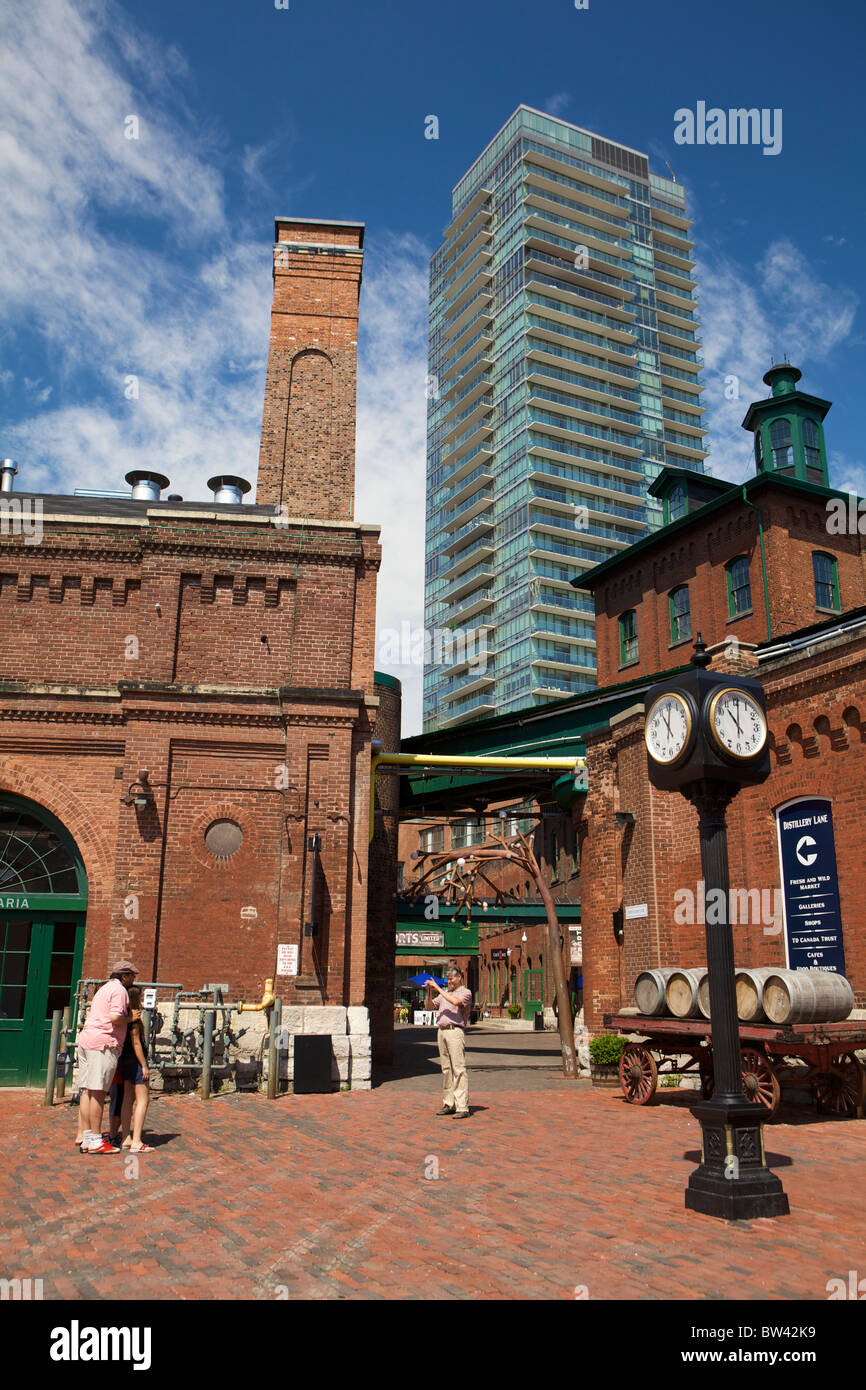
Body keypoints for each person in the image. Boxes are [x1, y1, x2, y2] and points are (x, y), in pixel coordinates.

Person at [74, 960, 138, 1154]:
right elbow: (115, 1017)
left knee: (87, 1091)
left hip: (86, 1040)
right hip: (103, 1043)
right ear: (124, 976)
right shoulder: (119, 991)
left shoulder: (103, 989)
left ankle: (87, 1138)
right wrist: (131, 1018)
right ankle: (96, 1141)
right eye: (132, 976)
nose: (133, 980)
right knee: (98, 1093)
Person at [107, 987, 153, 1152]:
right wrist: (144, 1065)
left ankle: (126, 1137)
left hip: (124, 1060)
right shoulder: (134, 1019)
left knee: (127, 1099)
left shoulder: (124, 1019)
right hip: (135, 1061)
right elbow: (136, 1043)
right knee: (143, 1100)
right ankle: (137, 1140)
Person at [427, 964, 472, 1119]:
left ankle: (462, 1106)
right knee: (446, 1069)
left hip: (455, 1031)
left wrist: (438, 988)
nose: (449, 981)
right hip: (442, 1031)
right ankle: (449, 1103)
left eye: (451, 979)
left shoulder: (465, 992)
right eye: (448, 979)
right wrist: (429, 992)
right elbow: (429, 1006)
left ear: (459, 977)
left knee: (458, 1068)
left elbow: (456, 1002)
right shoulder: (445, 994)